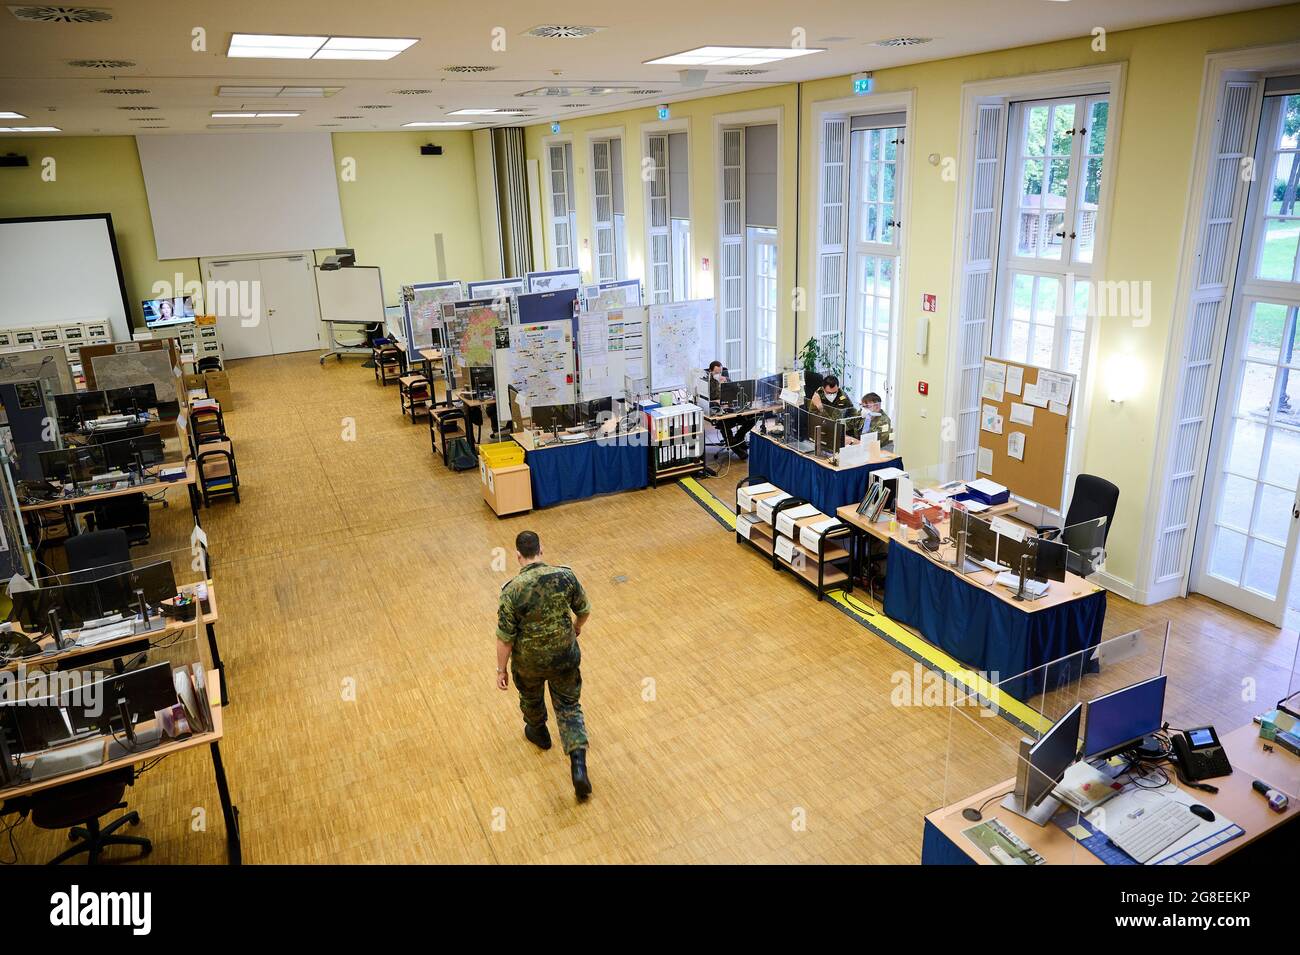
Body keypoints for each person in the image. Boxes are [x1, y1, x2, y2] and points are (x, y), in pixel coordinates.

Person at [496, 530, 594, 799]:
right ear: (541, 549)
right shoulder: (565, 576)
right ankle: (578, 767)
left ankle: (539, 732)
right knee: (569, 706)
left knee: (530, 695)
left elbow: (505, 638)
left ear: (518, 556)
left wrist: (501, 669)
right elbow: (584, 610)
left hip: (529, 662)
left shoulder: (512, 590)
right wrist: (576, 627)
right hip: (564, 656)